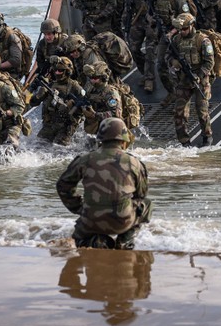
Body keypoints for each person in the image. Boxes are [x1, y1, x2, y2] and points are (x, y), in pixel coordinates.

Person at [56, 117, 152, 249]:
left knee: (80, 238)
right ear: (124, 139)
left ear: (100, 137)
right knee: (146, 204)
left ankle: (97, 241)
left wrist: (79, 207)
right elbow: (141, 194)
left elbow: (63, 185)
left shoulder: (85, 159)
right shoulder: (134, 163)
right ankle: (125, 240)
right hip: (122, 221)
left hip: (90, 222)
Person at [166, 13, 215, 147]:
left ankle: (207, 137)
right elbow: (168, 56)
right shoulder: (176, 40)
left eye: (185, 29)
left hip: (200, 80)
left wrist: (199, 76)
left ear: (192, 26)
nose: (182, 32)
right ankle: (184, 142)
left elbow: (209, 62)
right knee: (179, 113)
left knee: (202, 110)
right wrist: (173, 62)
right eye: (180, 30)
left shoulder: (203, 40)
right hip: (183, 81)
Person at [29, 56, 85, 146]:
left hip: (65, 127)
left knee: (59, 149)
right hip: (49, 125)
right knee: (37, 145)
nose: (57, 73)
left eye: (60, 71)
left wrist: (70, 106)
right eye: (56, 70)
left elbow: (85, 106)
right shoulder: (51, 85)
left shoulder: (74, 86)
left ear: (67, 72)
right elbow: (33, 103)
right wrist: (39, 95)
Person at [77, 61, 124, 139]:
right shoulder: (91, 89)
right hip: (96, 128)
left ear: (103, 78)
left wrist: (95, 115)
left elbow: (116, 114)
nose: (92, 81)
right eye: (91, 78)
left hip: (110, 130)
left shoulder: (110, 93)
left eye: (95, 78)